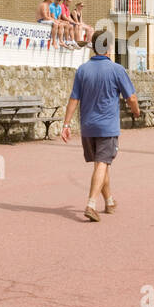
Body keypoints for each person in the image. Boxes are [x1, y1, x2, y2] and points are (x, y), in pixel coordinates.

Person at [61, 30, 139, 222]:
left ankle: (109, 201)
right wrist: (136, 111)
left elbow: (74, 98)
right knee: (102, 163)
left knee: (101, 165)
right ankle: (91, 204)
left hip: (87, 127)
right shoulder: (116, 69)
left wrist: (66, 124)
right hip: (107, 127)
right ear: (109, 47)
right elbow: (131, 97)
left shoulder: (82, 69)